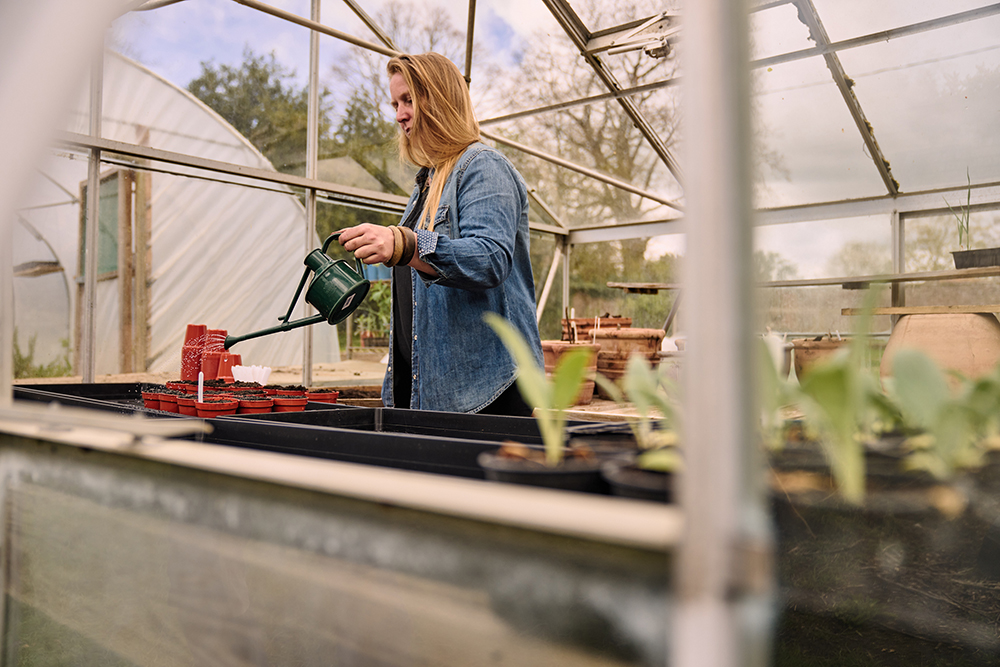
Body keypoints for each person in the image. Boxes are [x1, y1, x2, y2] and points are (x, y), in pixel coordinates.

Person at [337, 52, 543, 416]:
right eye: (395, 103)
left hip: (487, 394)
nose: (399, 114)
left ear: (441, 99)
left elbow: (490, 259)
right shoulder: (426, 186)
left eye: (409, 100)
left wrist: (405, 243)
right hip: (432, 394)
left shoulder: (482, 166)